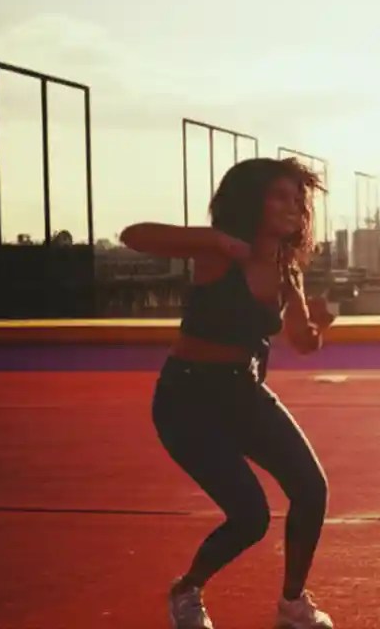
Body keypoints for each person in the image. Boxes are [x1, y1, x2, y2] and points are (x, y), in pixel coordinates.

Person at [120, 158, 338, 629]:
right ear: (251, 200)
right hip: (188, 399)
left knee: (311, 489)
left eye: (298, 199)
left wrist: (322, 320)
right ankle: (187, 590)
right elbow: (133, 235)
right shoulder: (218, 254)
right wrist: (214, 239)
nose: (294, 207)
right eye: (279, 196)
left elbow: (303, 342)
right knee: (250, 517)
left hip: (245, 393)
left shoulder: (287, 272)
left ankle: (293, 604)